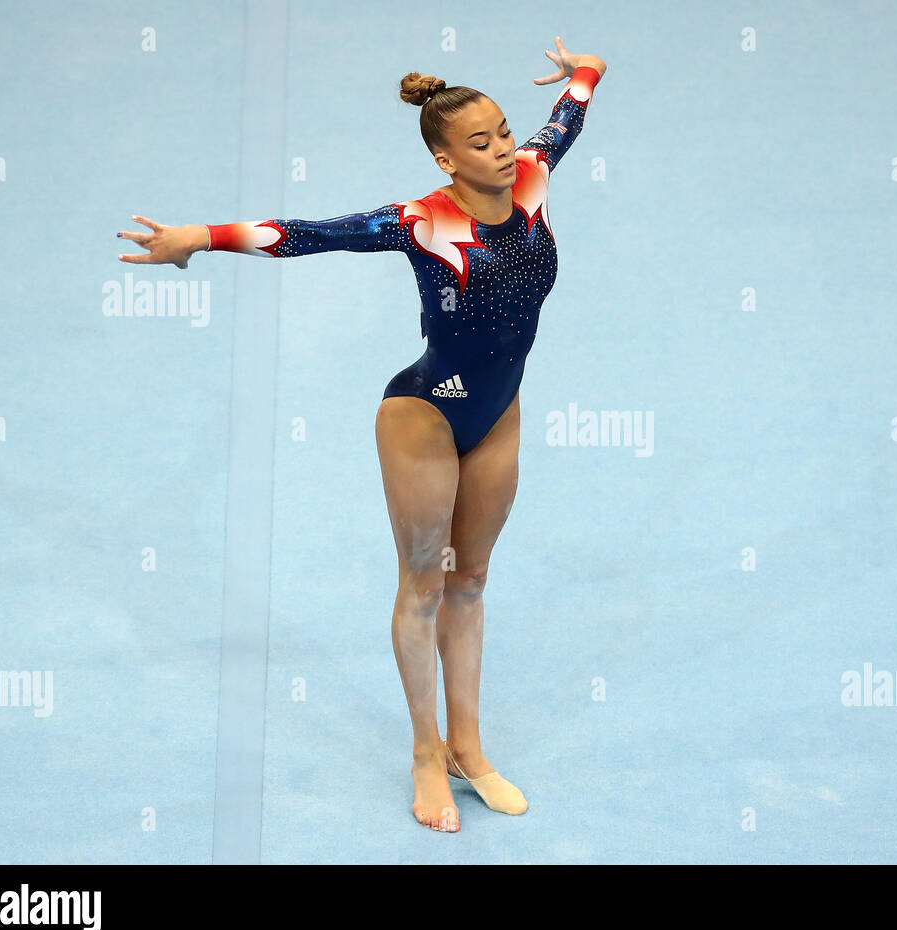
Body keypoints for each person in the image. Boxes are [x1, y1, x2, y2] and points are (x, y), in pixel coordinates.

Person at [117, 37, 606, 833]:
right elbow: (305, 233)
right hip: (424, 416)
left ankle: (469, 748)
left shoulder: (535, 176)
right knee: (422, 585)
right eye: (480, 144)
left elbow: (569, 118)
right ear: (447, 161)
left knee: (472, 578)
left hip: (500, 410)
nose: (505, 150)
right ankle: (424, 751)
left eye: (505, 133)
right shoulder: (420, 222)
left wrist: (588, 70)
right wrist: (196, 237)